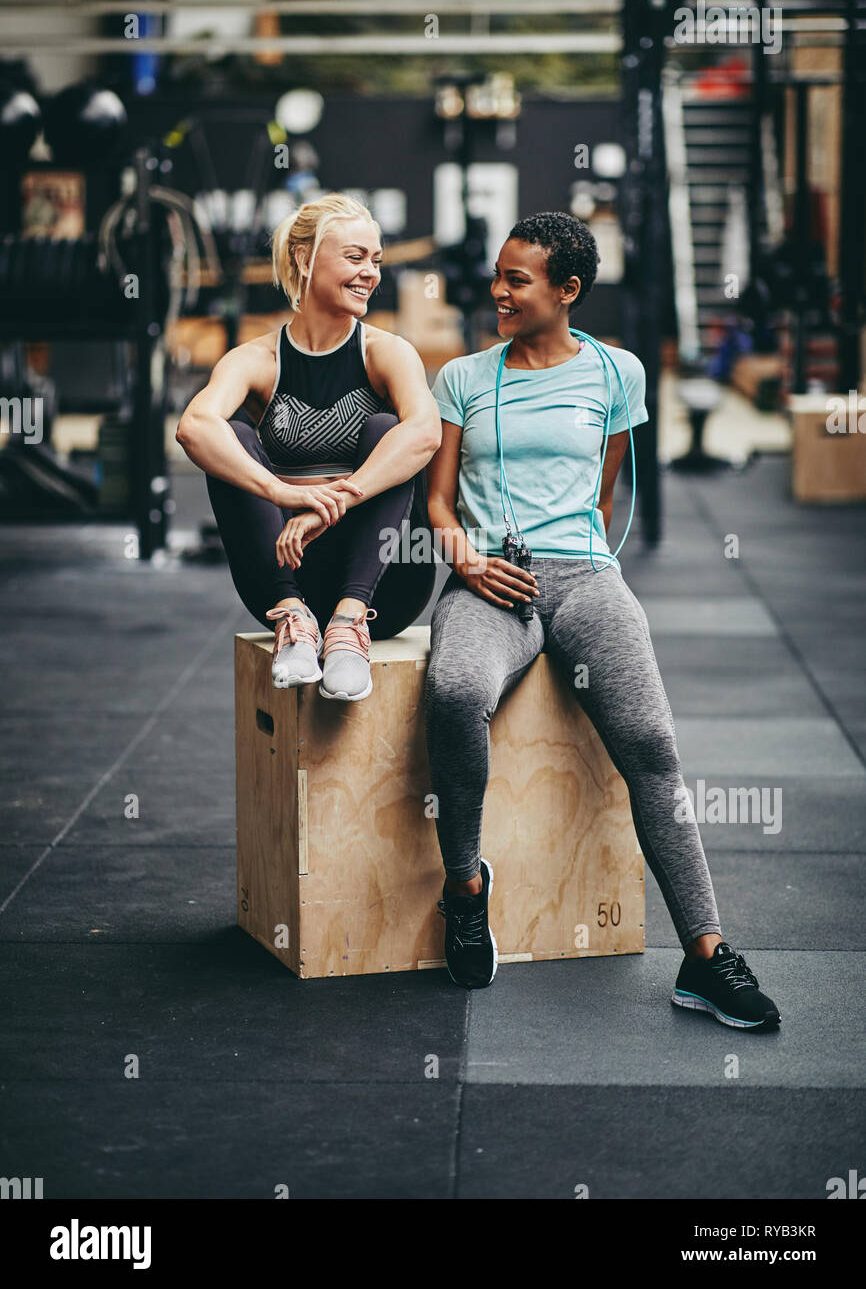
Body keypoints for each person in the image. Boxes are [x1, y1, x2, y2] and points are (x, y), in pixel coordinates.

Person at [424, 210, 780, 1031]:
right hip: (489, 580)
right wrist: (467, 560)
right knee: (452, 691)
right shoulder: (466, 378)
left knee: (652, 743)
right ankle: (467, 888)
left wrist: (579, 573)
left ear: (567, 290)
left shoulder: (618, 373)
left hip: (585, 578)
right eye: (499, 274)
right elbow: (437, 500)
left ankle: (704, 956)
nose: (499, 291)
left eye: (518, 279)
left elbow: (602, 492)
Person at [176, 192, 440, 700]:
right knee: (229, 436)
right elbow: (193, 428)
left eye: (377, 260)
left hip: (384, 586)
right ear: (304, 258)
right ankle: (297, 623)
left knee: (391, 429)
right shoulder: (256, 359)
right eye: (355, 256)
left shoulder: (387, 353)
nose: (371, 273)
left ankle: (347, 628)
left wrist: (332, 503)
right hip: (285, 579)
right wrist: (282, 493)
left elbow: (425, 432)